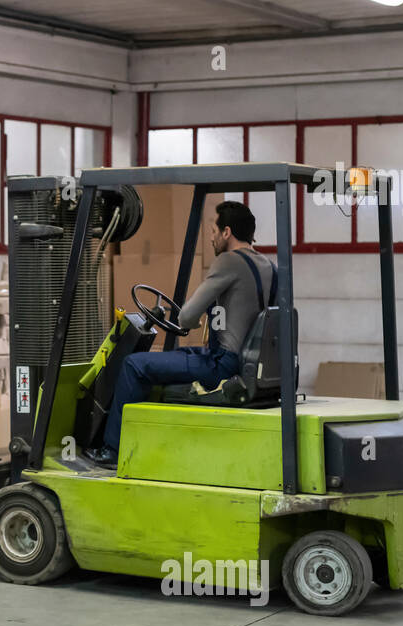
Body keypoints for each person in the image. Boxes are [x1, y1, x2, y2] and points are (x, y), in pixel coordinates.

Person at [85, 201, 276, 469]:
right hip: (245, 363)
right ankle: (145, 439)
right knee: (170, 358)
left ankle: (113, 451)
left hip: (222, 364)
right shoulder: (267, 265)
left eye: (213, 230)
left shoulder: (228, 262)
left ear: (226, 232)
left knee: (134, 365)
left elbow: (186, 316)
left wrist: (191, 320)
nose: (210, 237)